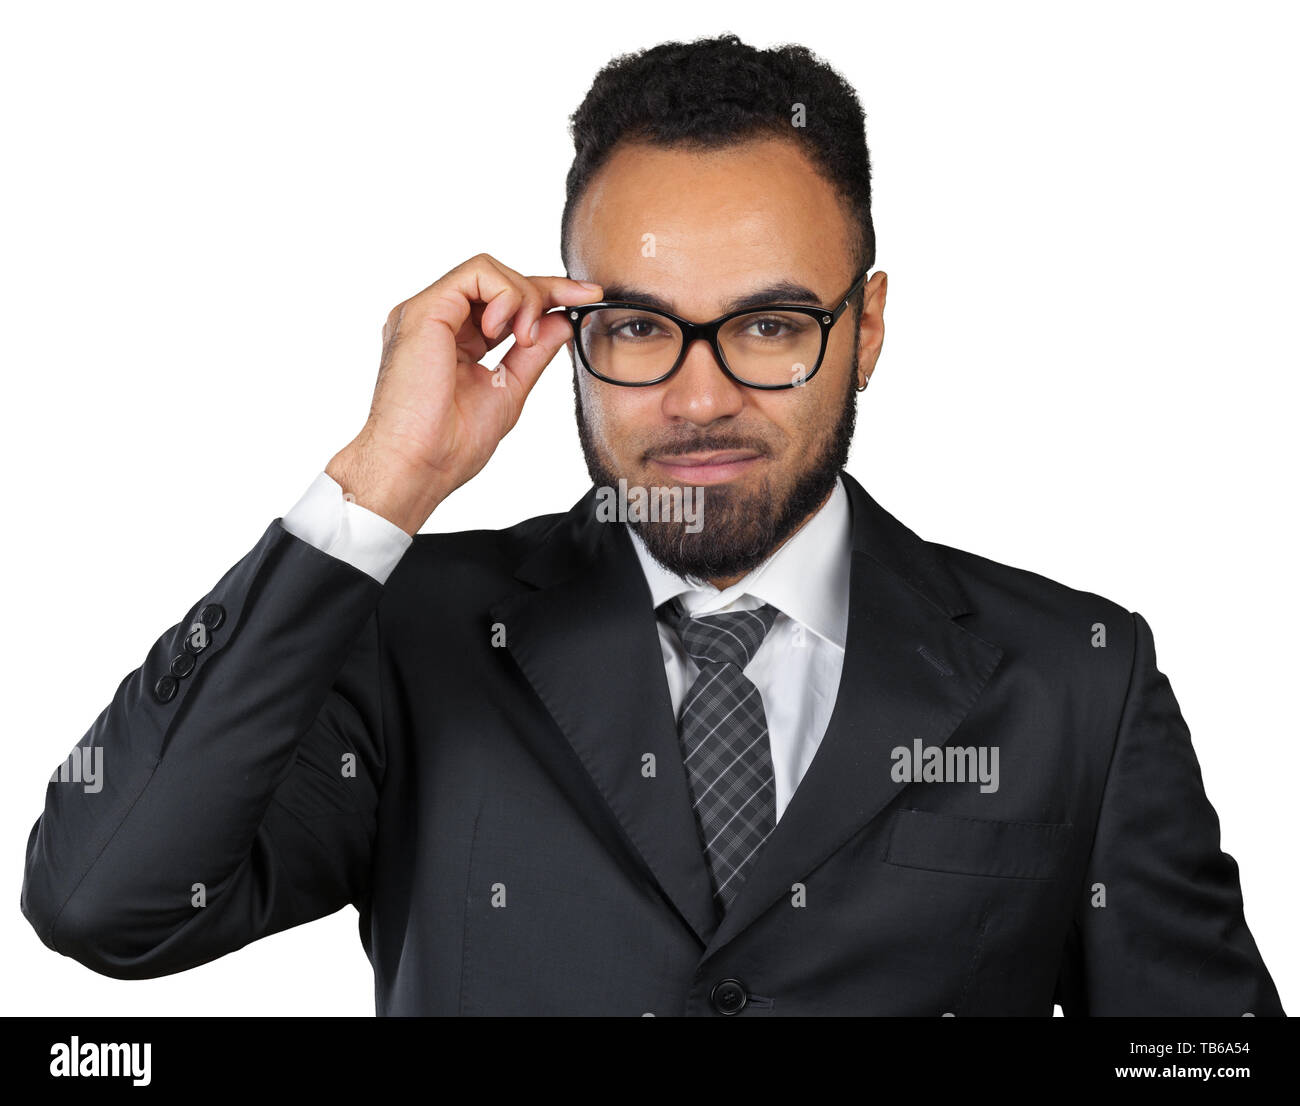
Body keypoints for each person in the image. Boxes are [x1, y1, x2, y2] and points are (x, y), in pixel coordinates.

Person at [20, 34, 1283, 1017]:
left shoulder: (1075, 676)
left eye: (771, 323)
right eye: (636, 327)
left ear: (869, 329)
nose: (697, 394)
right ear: (568, 331)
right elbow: (103, 902)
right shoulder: (420, 635)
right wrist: (380, 482)